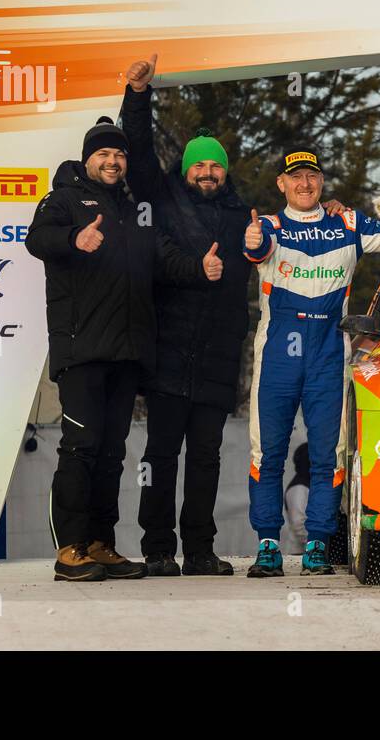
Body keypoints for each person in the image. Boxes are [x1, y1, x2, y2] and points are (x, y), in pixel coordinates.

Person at [27, 116, 223, 582]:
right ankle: (70, 550)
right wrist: (75, 238)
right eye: (104, 154)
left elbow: (163, 257)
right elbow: (36, 239)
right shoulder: (63, 200)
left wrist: (199, 267)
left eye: (119, 155)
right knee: (80, 448)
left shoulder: (135, 209)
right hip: (82, 351)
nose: (113, 161)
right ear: (87, 158)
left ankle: (100, 543)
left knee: (113, 453)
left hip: (127, 353)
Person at [118, 54, 253, 578]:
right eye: (199, 164)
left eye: (215, 165)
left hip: (219, 361)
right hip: (169, 357)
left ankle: (199, 550)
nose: (207, 172)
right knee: (159, 458)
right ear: (186, 169)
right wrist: (137, 94)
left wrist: (331, 209)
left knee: (205, 461)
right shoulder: (163, 197)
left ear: (225, 171)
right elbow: (142, 151)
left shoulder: (245, 217)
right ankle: (156, 549)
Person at [242, 148, 380, 577]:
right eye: (296, 177)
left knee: (329, 453)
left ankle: (318, 543)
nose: (305, 184)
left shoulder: (347, 223)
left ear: (322, 181)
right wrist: (253, 242)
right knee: (268, 451)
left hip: (330, 353)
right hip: (278, 353)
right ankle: (268, 545)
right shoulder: (269, 227)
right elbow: (256, 251)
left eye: (312, 176)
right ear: (282, 184)